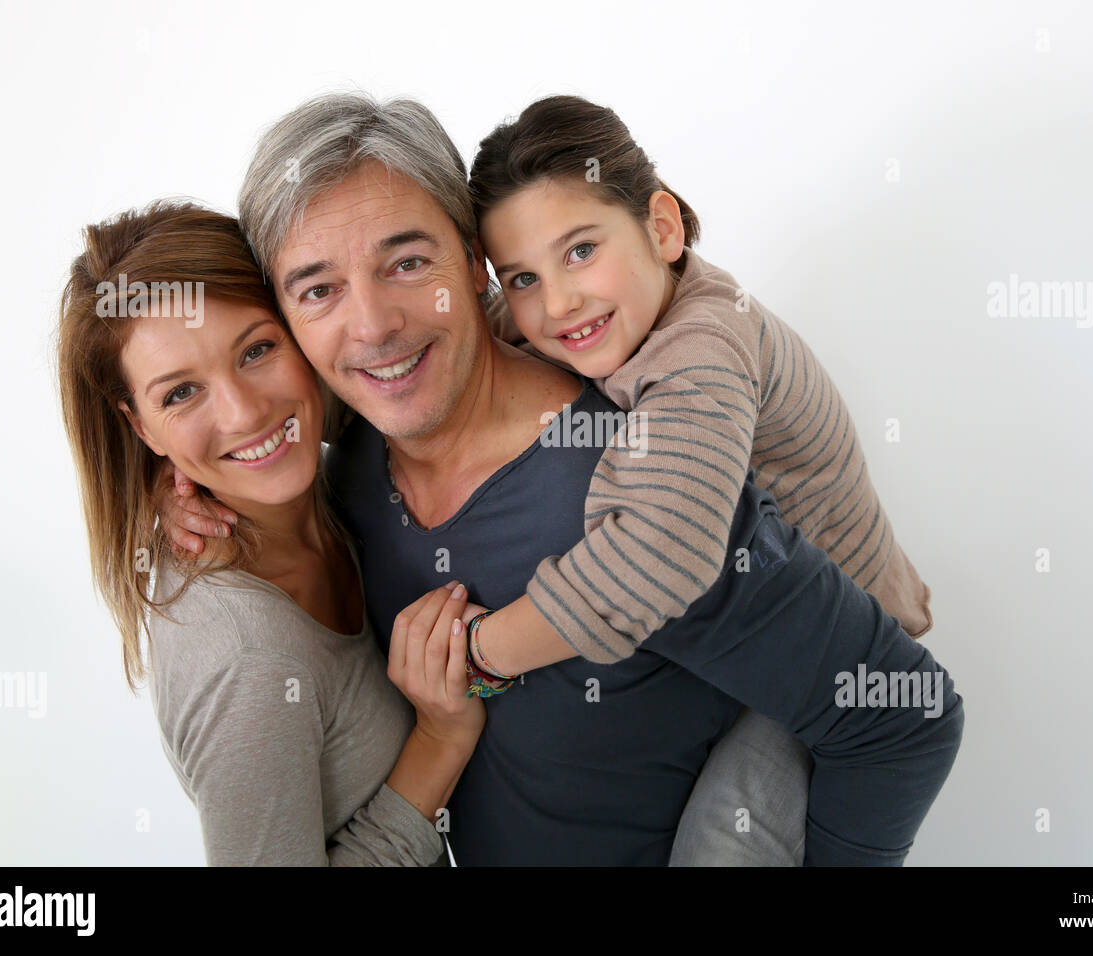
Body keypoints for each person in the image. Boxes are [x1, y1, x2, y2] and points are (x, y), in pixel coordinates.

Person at [162, 91, 965, 866]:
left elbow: (906, 716)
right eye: (318, 290)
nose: (371, 325)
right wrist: (171, 501)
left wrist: (479, 658)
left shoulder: (650, 491)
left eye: (407, 262)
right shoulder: (352, 470)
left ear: (472, 263)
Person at [55, 200, 484, 866]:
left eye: (256, 350)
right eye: (179, 394)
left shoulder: (348, 469)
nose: (244, 411)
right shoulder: (247, 664)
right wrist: (441, 739)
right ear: (139, 426)